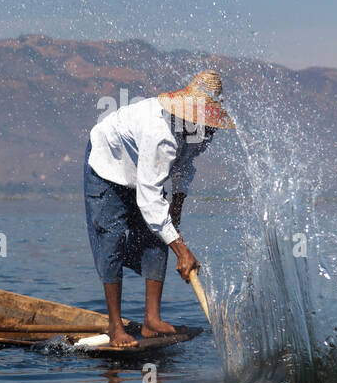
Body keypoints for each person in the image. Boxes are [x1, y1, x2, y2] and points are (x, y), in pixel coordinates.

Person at [83, 70, 235, 346]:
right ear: (188, 115)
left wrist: (176, 208)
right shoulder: (161, 135)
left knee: (157, 237)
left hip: (144, 170)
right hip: (108, 163)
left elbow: (185, 165)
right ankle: (115, 326)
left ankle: (152, 321)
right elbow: (149, 199)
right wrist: (181, 249)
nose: (210, 130)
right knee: (112, 238)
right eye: (206, 123)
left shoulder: (200, 131)